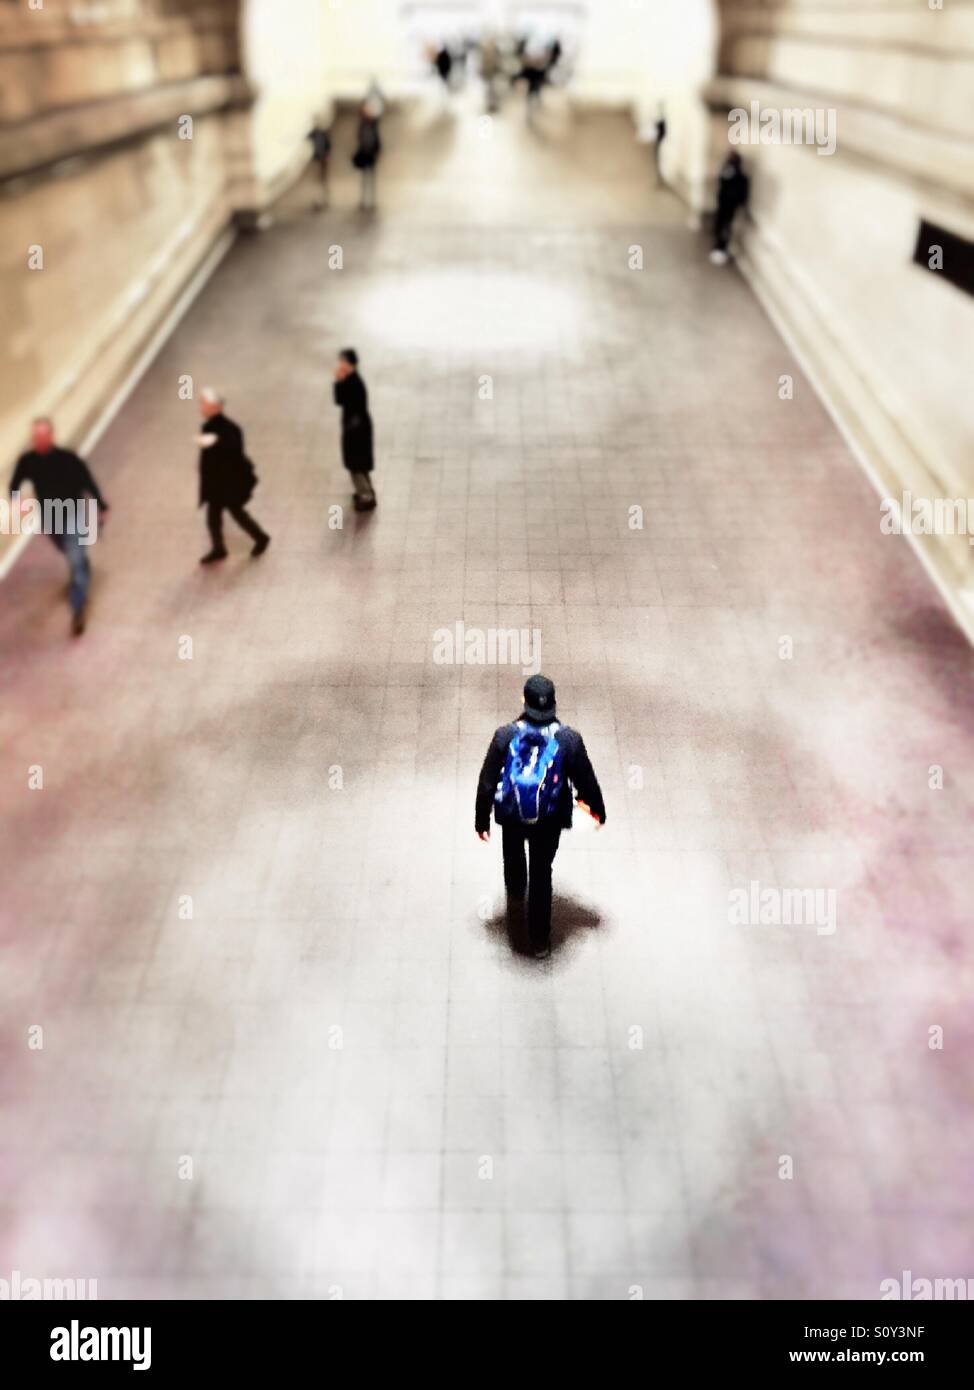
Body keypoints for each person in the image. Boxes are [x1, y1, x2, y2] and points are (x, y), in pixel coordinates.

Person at [475, 675, 606, 959]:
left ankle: (514, 896)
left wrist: (481, 821)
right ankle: (539, 941)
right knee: (541, 872)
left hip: (511, 815)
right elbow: (587, 782)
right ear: (554, 705)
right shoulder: (569, 740)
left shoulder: (505, 736)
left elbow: (487, 782)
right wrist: (598, 811)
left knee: (512, 854)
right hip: (549, 819)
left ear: (524, 700)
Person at [8, 418, 109, 636]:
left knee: (74, 559)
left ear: (51, 436)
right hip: (50, 517)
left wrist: (101, 504)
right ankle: (82, 563)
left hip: (73, 514)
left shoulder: (68, 459)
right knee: (69, 553)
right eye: (35, 438)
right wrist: (17, 501)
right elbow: (15, 484)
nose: (39, 441)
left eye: (42, 437)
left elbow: (87, 480)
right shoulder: (27, 461)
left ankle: (77, 608)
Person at [196, 389, 270, 564]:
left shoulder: (230, 428)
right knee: (214, 517)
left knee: (237, 513)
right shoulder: (208, 426)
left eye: (205, 405)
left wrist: (213, 443)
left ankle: (261, 537)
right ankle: (219, 548)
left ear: (216, 407)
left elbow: (233, 451)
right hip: (216, 483)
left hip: (228, 483)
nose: (202, 408)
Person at [332, 349, 376, 511]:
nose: (340, 365)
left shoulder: (355, 383)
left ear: (349, 363)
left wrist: (339, 381)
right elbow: (339, 401)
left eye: (342, 361)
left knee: (356, 465)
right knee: (359, 464)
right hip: (355, 427)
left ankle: (366, 496)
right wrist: (338, 381)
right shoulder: (350, 379)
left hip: (356, 429)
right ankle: (367, 491)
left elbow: (347, 403)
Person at [710, 151, 750, 265]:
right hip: (724, 205)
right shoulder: (728, 172)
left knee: (724, 227)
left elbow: (741, 194)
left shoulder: (739, 177)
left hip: (729, 206)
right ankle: (719, 248)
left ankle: (721, 248)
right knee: (721, 226)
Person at [352, 106, 382, 211]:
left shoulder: (373, 125)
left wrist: (377, 151)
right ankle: (364, 201)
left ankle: (372, 201)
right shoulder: (362, 126)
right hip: (365, 154)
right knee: (365, 179)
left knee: (371, 179)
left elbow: (377, 140)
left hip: (370, 155)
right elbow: (360, 140)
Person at [307, 120, 332, 210]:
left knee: (322, 180)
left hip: (322, 161)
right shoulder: (313, 134)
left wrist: (326, 156)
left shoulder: (324, 134)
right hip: (316, 160)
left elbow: (328, 146)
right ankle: (317, 200)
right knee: (317, 181)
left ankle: (324, 199)